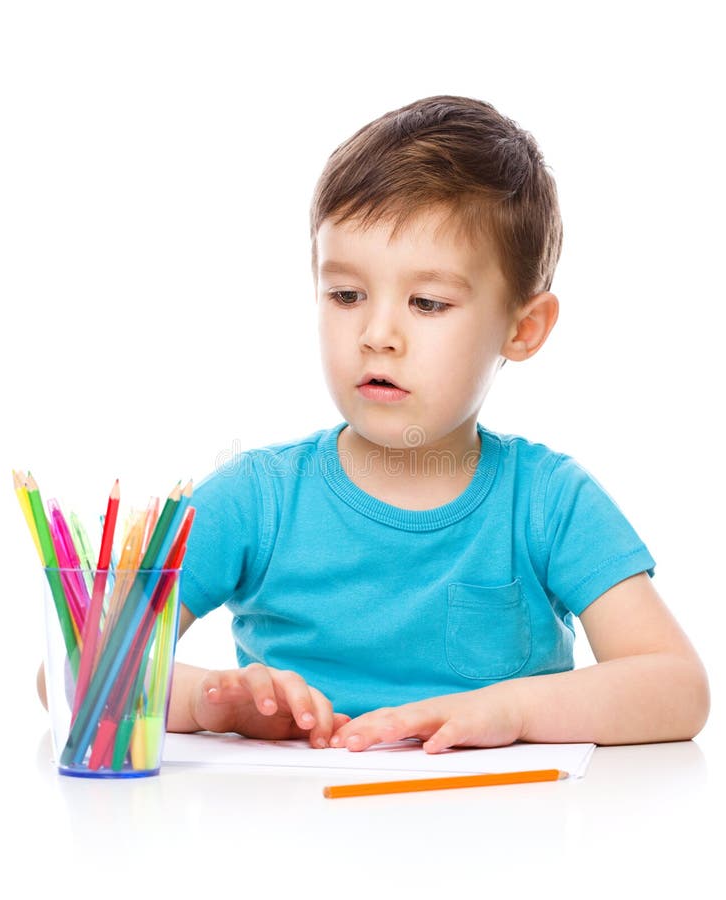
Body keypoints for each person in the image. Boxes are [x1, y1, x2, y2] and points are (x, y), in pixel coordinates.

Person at [131, 96, 712, 752]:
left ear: (522, 330)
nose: (377, 334)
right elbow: (75, 669)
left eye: (427, 302)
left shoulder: (549, 500)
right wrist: (213, 705)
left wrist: (512, 711)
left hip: (512, 841)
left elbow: (676, 688)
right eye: (346, 295)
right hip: (296, 838)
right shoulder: (254, 499)